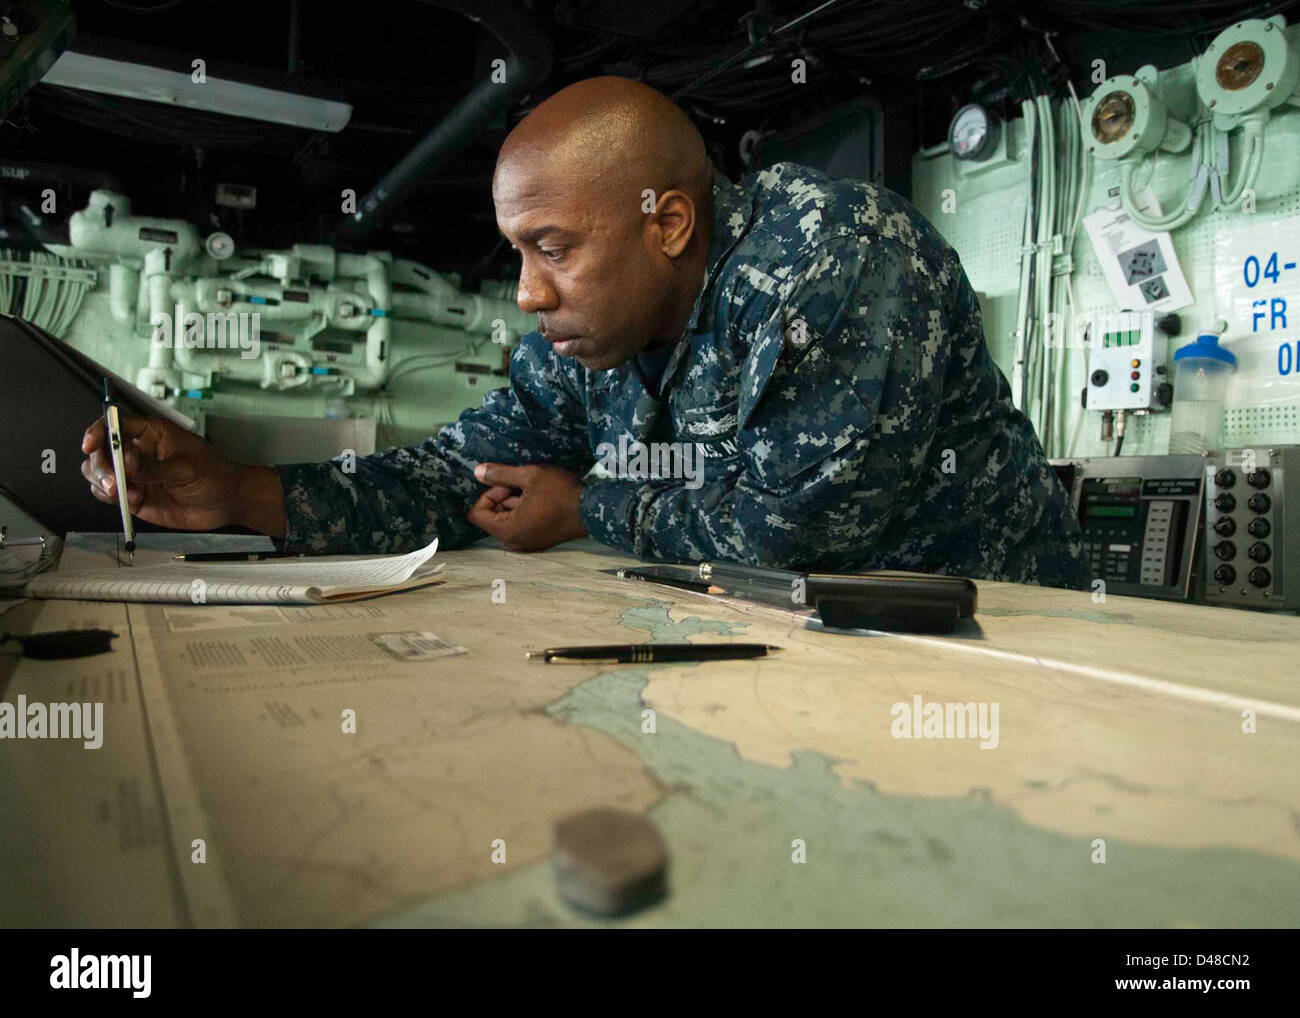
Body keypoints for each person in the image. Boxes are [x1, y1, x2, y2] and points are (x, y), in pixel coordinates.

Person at [82, 76, 1089, 588]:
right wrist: (241, 493)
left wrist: (586, 507)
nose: (525, 293)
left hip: (1011, 638)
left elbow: (793, 536)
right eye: (518, 253)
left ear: (667, 224)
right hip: (817, 651)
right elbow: (459, 474)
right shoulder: (581, 338)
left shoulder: (831, 257)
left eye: (552, 247)